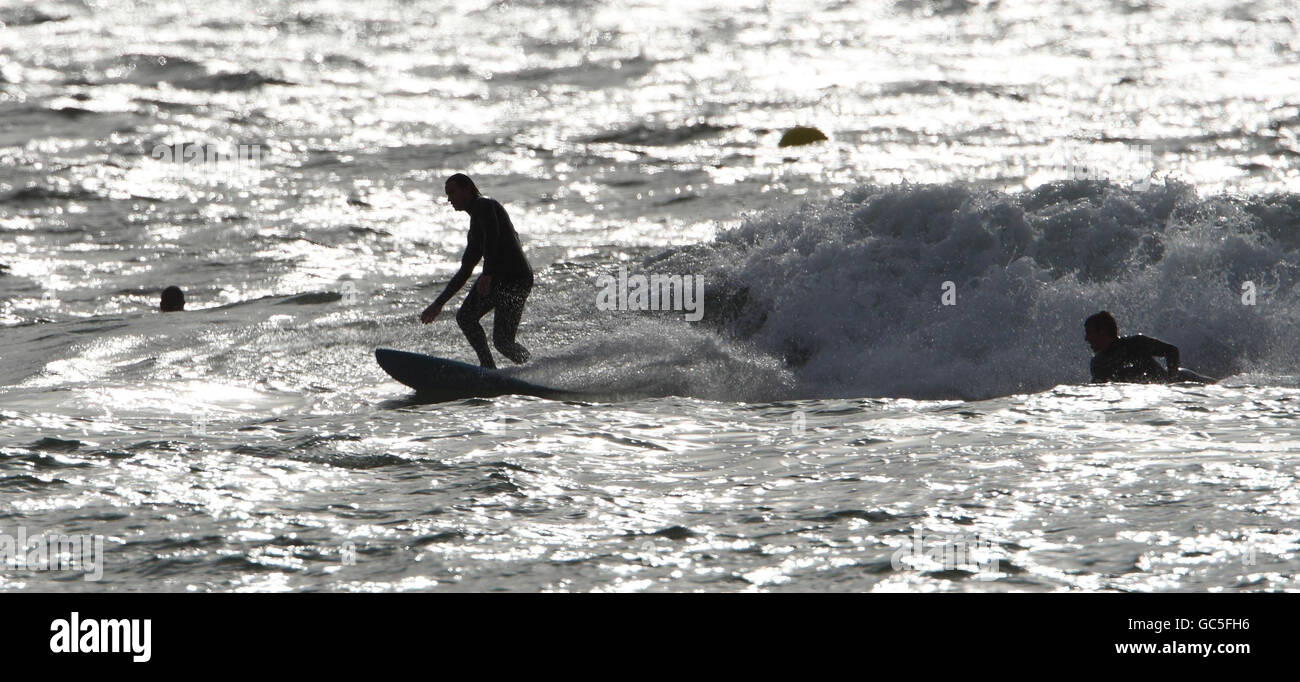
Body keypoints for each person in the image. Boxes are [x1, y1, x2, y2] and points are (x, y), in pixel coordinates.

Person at [420, 174, 533, 369]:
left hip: (514, 279)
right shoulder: (474, 230)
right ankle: (530, 369)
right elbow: (465, 270)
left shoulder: (485, 205)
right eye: (448, 194)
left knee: (483, 329)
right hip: (508, 279)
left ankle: (500, 367)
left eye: (452, 192)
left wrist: (487, 273)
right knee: (500, 340)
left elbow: (493, 237)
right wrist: (439, 304)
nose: (449, 199)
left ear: (468, 189)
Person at [1084, 311, 1214, 384]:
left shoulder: (1134, 343)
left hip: (1187, 381)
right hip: (1151, 397)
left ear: (1103, 332)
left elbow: (1171, 351)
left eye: (1089, 333)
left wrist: (1171, 382)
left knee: (1222, 386)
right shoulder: (1098, 363)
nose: (1086, 338)